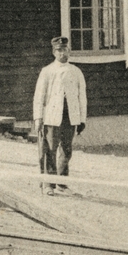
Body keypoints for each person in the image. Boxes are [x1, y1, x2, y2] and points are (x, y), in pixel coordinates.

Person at [32, 36, 88, 194]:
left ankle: (62, 184)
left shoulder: (76, 71)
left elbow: (82, 97)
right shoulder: (47, 71)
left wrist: (82, 119)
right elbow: (39, 96)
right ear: (54, 52)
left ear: (69, 51)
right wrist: (38, 118)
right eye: (59, 50)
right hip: (52, 117)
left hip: (69, 116)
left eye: (65, 50)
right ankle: (48, 184)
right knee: (50, 149)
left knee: (66, 150)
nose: (62, 53)